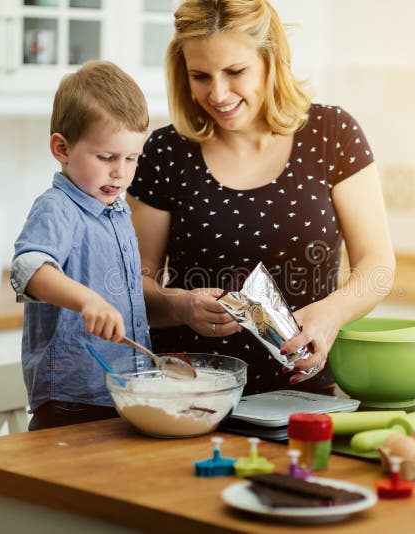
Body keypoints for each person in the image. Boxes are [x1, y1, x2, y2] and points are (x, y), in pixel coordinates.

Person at [126, 0, 395, 396]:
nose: (218, 94)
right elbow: (135, 284)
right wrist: (180, 305)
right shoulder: (166, 152)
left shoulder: (332, 134)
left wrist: (330, 314)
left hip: (307, 397)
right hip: (191, 397)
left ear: (271, 60)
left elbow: (377, 264)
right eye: (200, 76)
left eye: (235, 72)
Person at [10, 60, 151, 430]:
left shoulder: (117, 212)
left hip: (121, 393)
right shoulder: (58, 208)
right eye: (106, 158)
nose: (120, 172)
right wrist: (87, 300)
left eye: (131, 158)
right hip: (71, 403)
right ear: (62, 148)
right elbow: (29, 269)